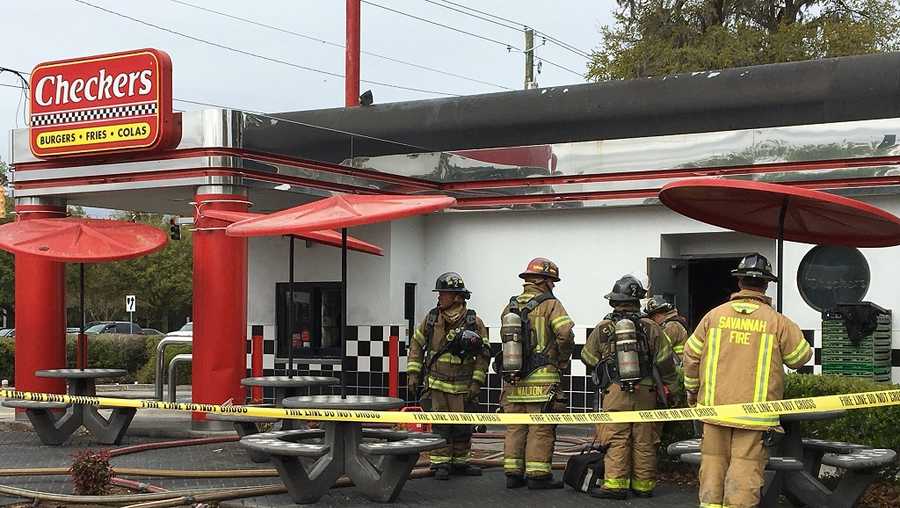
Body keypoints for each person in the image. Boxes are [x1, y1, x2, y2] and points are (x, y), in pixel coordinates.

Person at [683, 254, 812, 508]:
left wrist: (692, 391)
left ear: (739, 281)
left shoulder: (713, 316)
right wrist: (784, 326)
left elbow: (690, 355)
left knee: (712, 469)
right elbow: (800, 357)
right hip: (755, 417)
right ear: (765, 285)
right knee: (744, 474)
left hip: (714, 411)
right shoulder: (776, 321)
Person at [580, 275, 679, 499]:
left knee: (616, 438)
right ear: (638, 301)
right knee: (645, 440)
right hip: (647, 391)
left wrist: (605, 368)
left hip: (615, 391)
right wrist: (672, 388)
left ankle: (615, 486)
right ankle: (643, 487)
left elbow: (587, 356)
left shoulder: (603, 327)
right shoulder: (651, 327)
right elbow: (665, 361)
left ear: (614, 301)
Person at [497, 257, 575, 489]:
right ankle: (538, 476)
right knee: (540, 428)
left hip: (513, 378)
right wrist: (561, 359)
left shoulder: (510, 306)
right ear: (546, 281)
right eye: (553, 281)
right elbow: (565, 333)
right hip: (542, 379)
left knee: (515, 427)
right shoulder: (551, 304)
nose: (554, 286)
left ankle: (513, 474)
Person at [407, 272, 490, 480]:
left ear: (456, 296)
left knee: (463, 426)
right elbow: (417, 345)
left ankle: (460, 462)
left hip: (463, 387)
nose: (438, 297)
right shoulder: (432, 318)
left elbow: (484, 355)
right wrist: (413, 373)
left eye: (442, 293)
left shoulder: (474, 322)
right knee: (441, 425)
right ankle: (440, 463)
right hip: (436, 384)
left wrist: (476, 383)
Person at [643, 296, 690, 366]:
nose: (653, 321)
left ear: (658, 315)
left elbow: (660, 345)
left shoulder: (671, 326)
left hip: (679, 367)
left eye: (653, 318)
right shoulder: (672, 323)